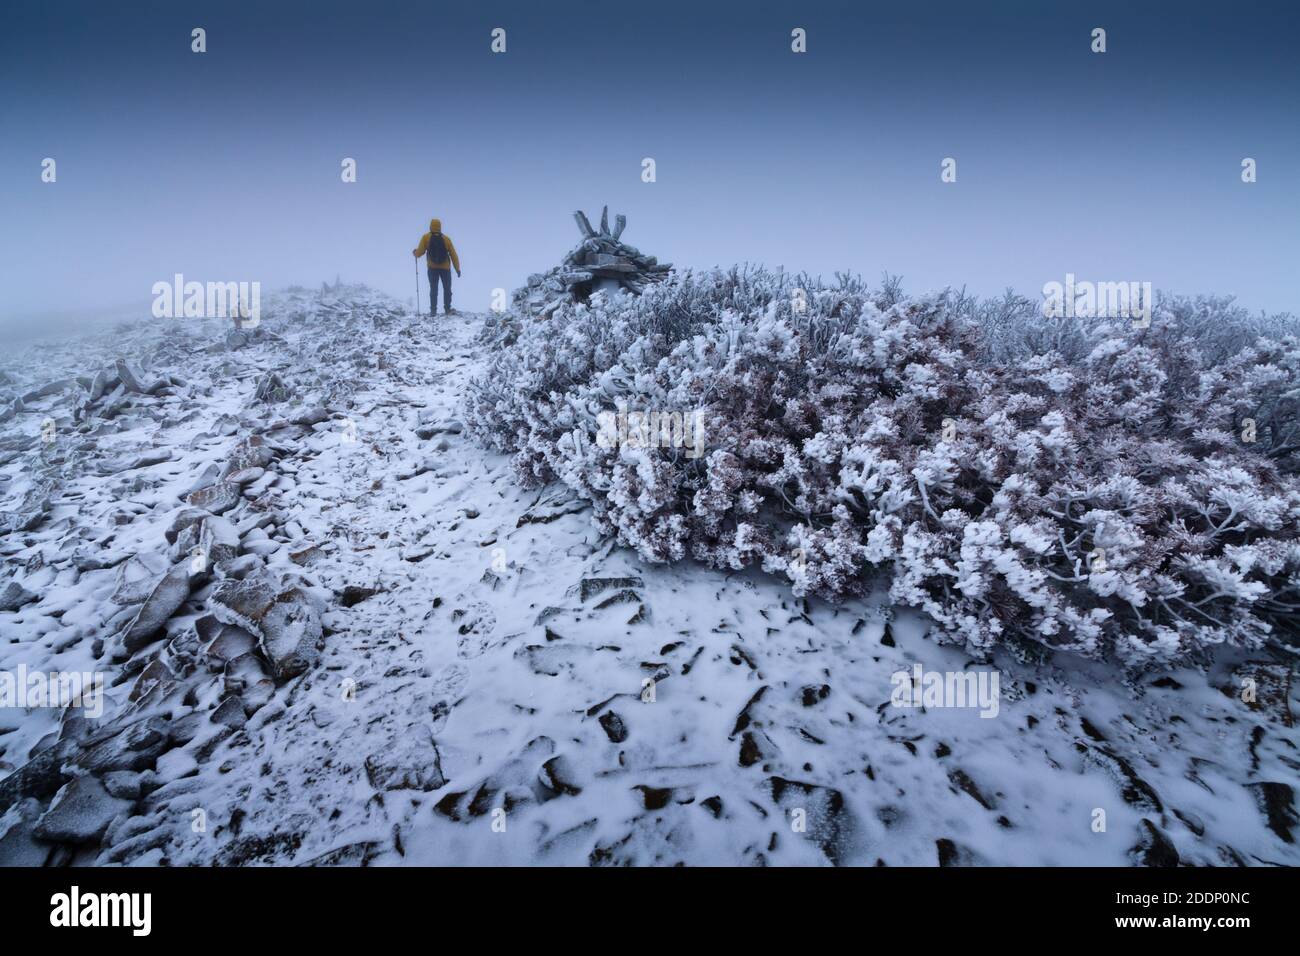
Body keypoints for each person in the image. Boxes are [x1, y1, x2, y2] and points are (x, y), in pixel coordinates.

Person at [412, 218, 461, 316]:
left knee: (433, 289)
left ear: (430, 226)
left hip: (432, 268)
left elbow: (420, 252)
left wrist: (415, 253)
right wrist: (457, 269)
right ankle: (447, 309)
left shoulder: (426, 237)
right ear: (440, 227)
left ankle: (433, 311)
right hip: (445, 268)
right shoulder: (446, 239)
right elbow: (453, 255)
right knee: (447, 288)